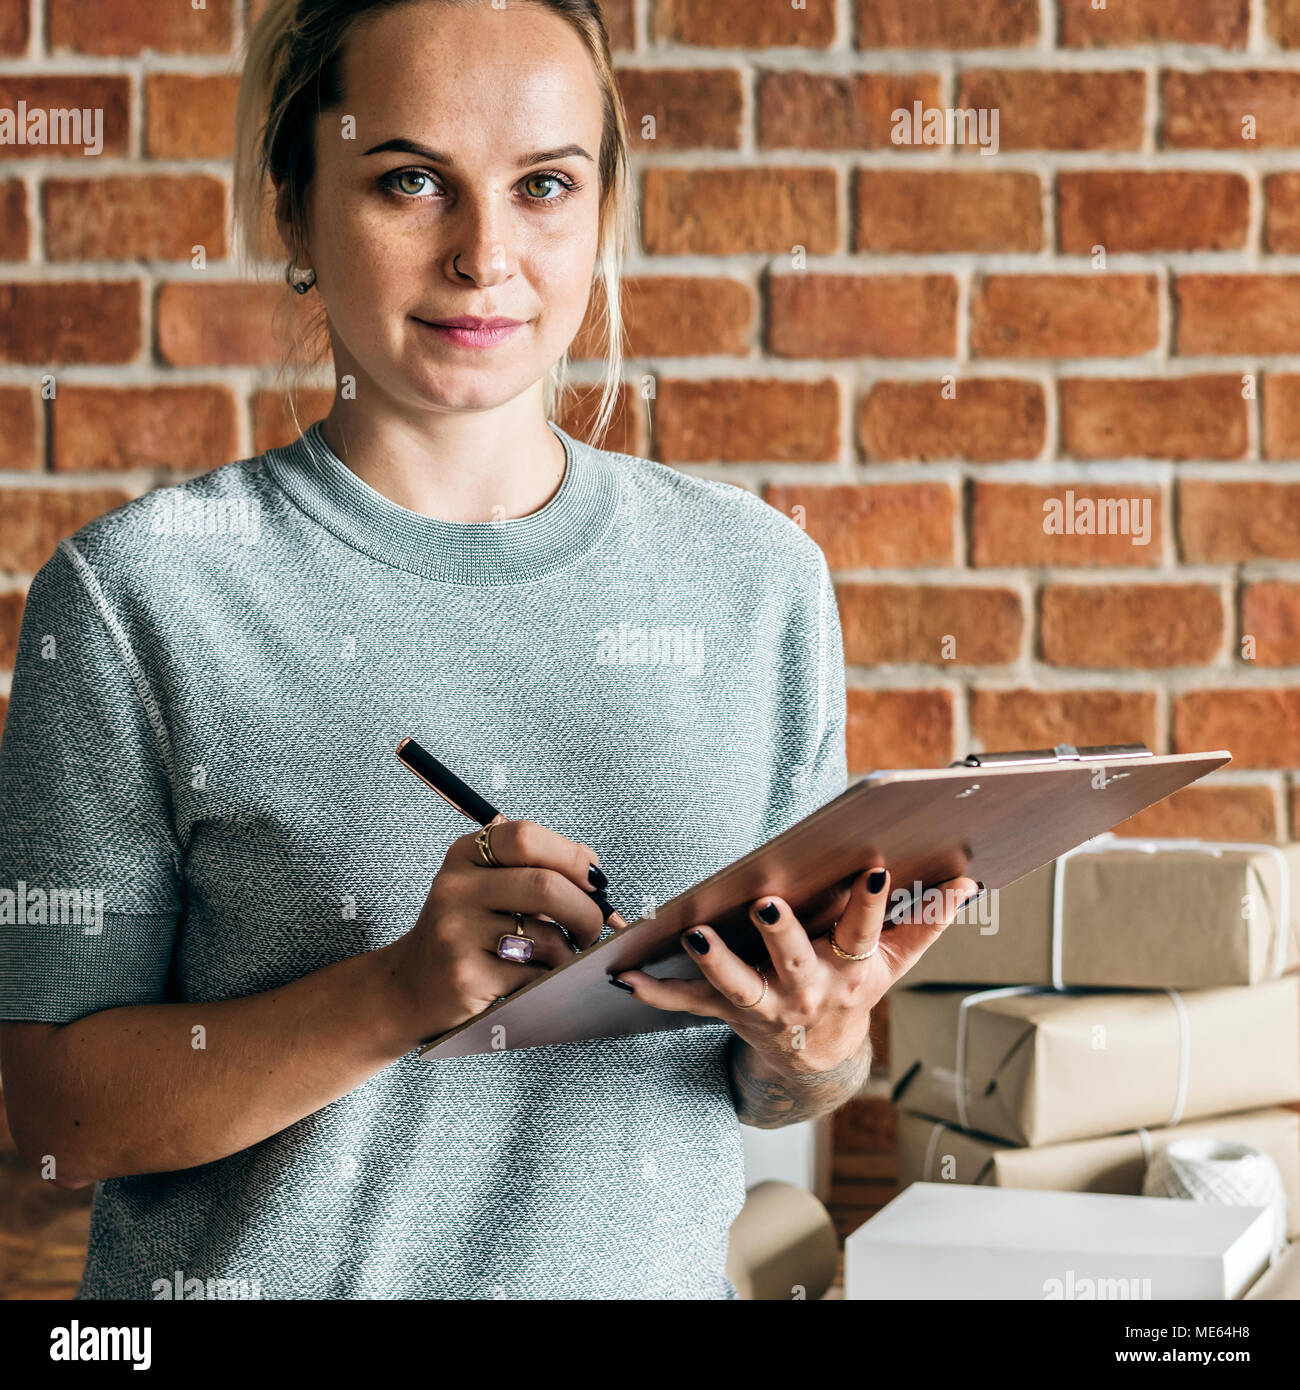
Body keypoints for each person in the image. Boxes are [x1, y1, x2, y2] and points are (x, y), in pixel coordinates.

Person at [0, 0, 976, 1299]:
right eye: (412, 181)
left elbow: (774, 1084)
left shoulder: (757, 583)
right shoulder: (139, 596)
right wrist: (394, 993)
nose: (484, 254)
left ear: (602, 214)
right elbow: (57, 1120)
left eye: (544, 186)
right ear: (295, 210)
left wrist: (816, 1037)